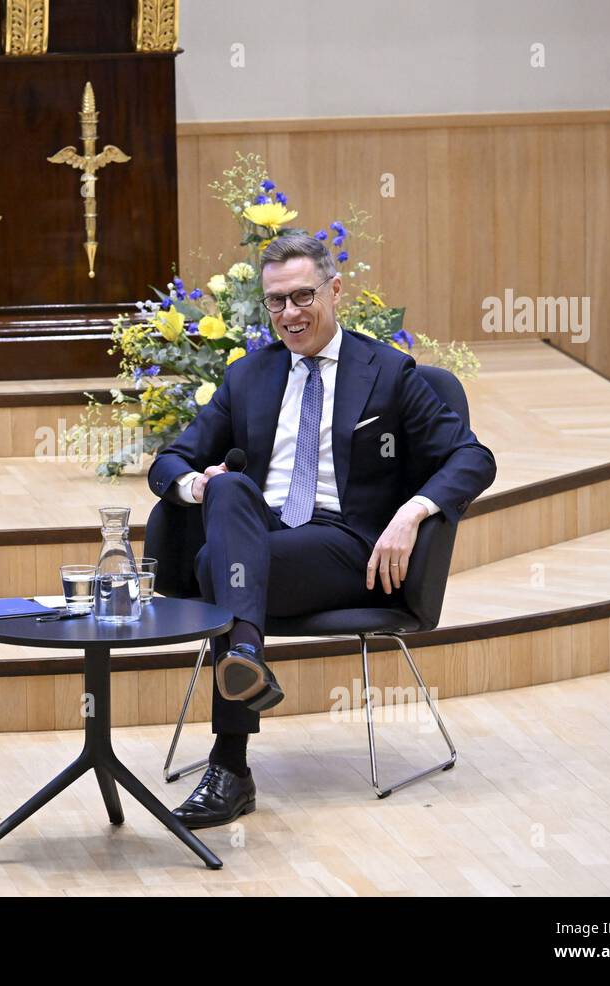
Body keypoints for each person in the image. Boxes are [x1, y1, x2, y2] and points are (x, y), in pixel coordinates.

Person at [148, 234, 496, 828]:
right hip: (257, 540)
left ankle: (230, 765)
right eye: (276, 302)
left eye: (303, 296)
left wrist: (412, 513)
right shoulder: (248, 377)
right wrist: (196, 486)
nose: (290, 314)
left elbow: (473, 458)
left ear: (335, 290)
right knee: (229, 489)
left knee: (219, 570)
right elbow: (168, 462)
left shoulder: (387, 373)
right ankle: (248, 659)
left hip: (347, 547)